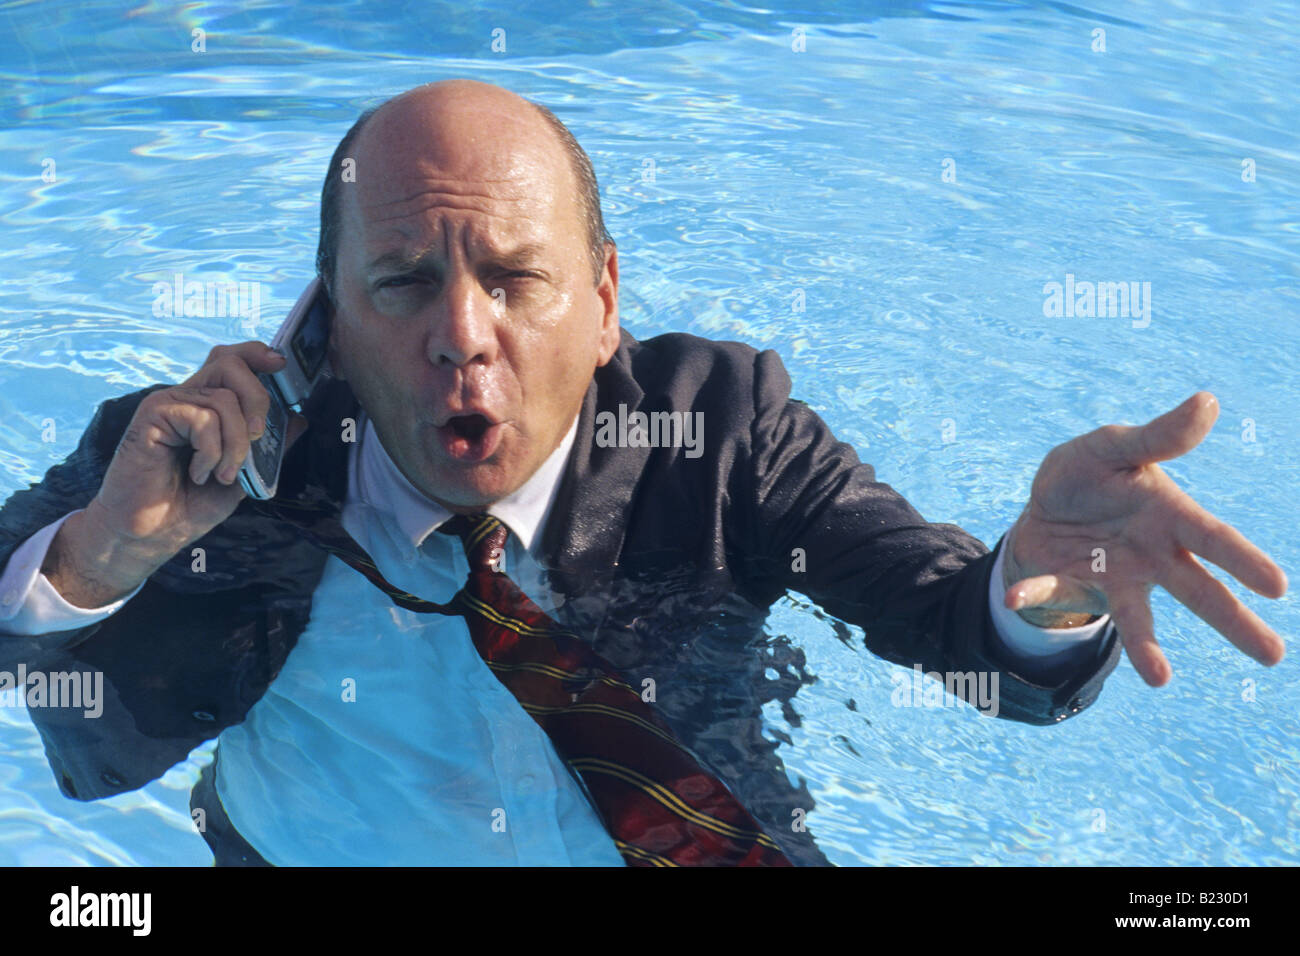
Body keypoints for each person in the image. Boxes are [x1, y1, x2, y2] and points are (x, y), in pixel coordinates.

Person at [0, 80, 1286, 867]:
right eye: (402, 282)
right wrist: (104, 558)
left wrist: (1044, 584)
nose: (463, 329)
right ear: (324, 322)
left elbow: (954, 620)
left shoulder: (719, 430)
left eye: (515, 277)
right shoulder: (208, 463)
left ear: (604, 300)